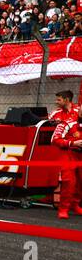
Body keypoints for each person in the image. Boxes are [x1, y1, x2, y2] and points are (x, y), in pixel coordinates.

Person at [49, 90, 82, 218]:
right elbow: (54, 139)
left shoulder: (76, 110)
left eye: (59, 99)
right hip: (68, 153)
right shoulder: (67, 122)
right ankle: (63, 208)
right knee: (69, 181)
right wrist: (72, 144)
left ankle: (76, 204)